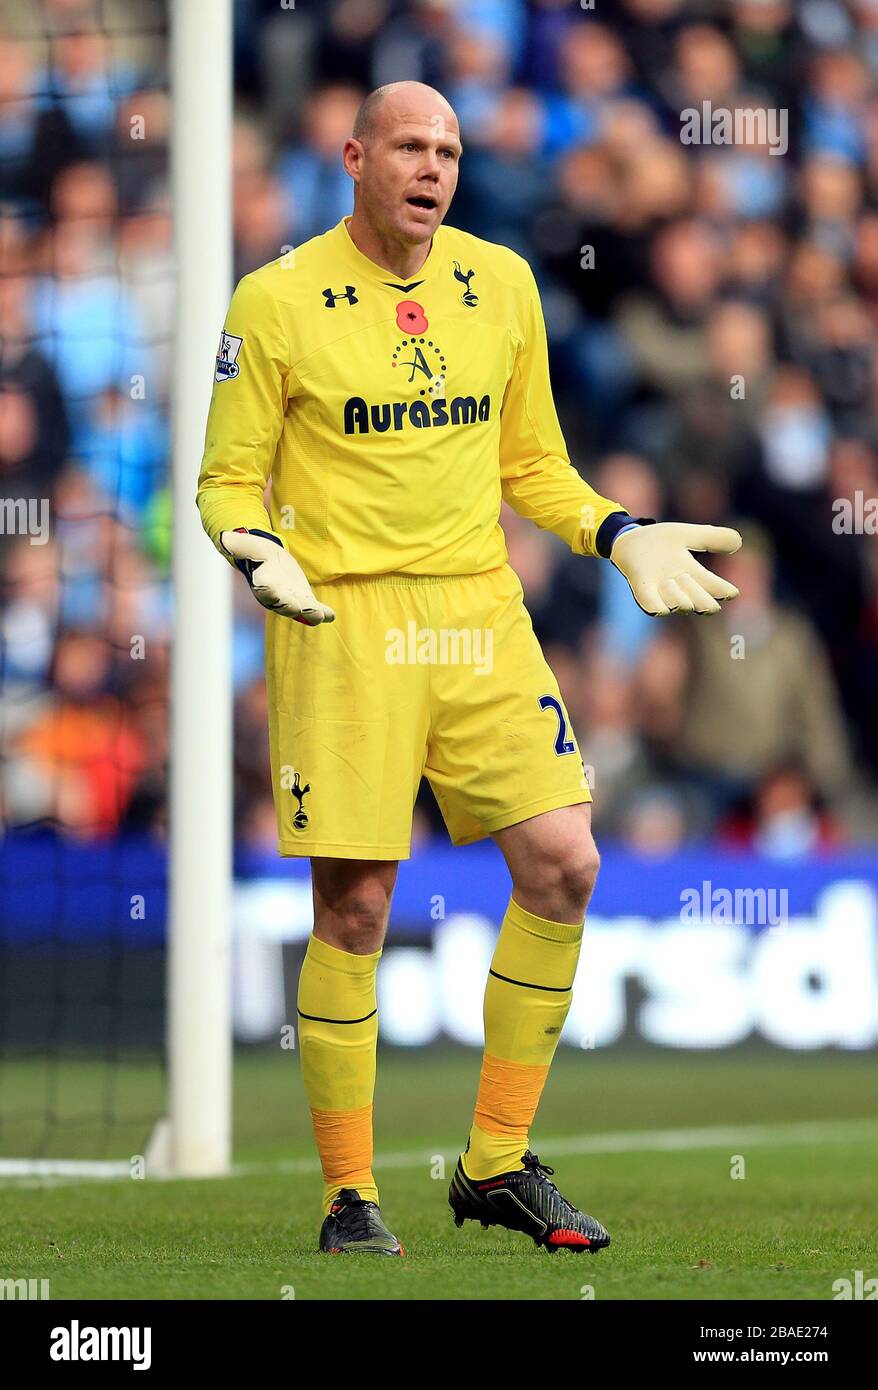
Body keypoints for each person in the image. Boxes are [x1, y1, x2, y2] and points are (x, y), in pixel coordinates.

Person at [197, 80, 741, 1257]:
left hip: (477, 616)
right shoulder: (274, 299)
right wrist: (254, 553)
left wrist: (614, 531)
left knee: (565, 862)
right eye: (407, 145)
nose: (431, 165)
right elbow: (225, 481)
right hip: (341, 622)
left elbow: (532, 462)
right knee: (355, 905)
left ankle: (493, 1163)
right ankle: (350, 1198)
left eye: (446, 147)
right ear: (352, 156)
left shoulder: (500, 282)